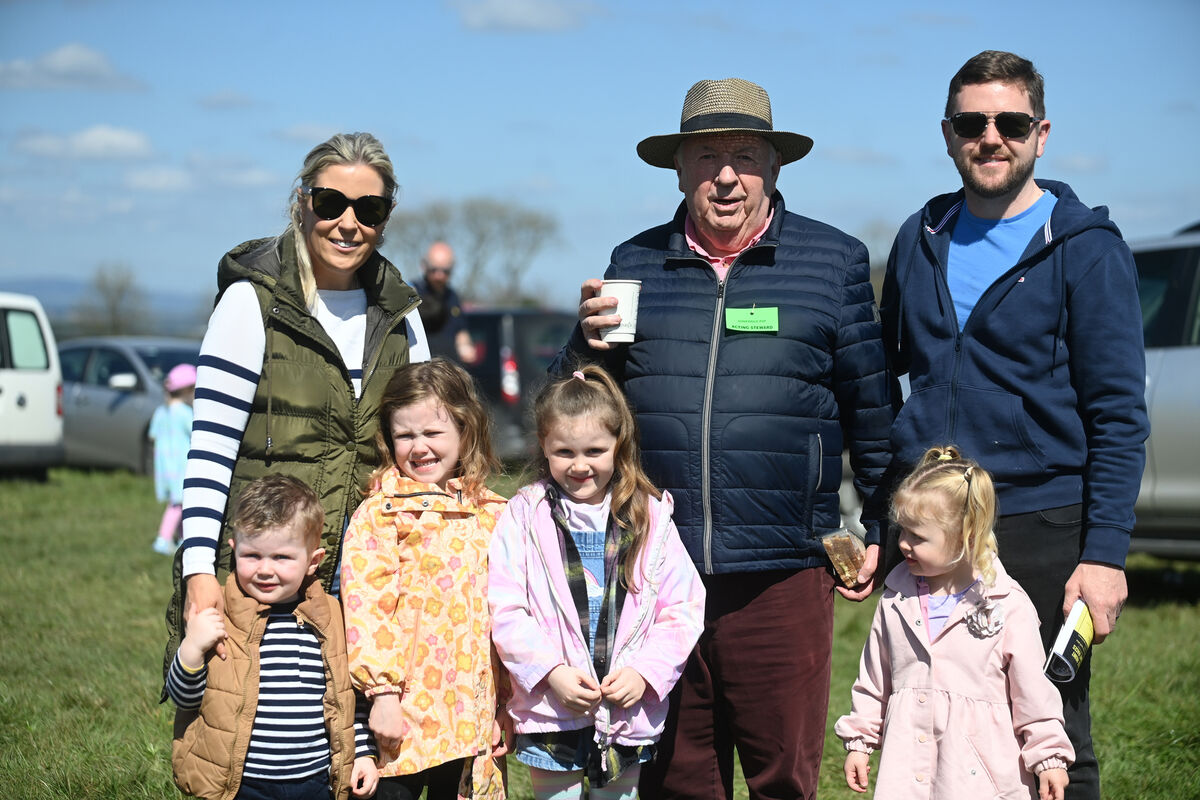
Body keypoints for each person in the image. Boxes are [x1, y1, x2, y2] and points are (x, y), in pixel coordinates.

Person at [551, 78, 896, 799]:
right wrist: (579, 346)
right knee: (678, 780)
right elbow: (578, 407)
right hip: (656, 572)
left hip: (783, 571)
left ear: (773, 166)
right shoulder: (635, 263)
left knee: (783, 777)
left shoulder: (831, 264)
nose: (727, 175)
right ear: (679, 170)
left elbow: (873, 411)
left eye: (744, 155)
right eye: (708, 157)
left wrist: (883, 527)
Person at [880, 51, 1149, 799]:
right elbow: (891, 372)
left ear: (1041, 132)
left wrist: (1104, 555)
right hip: (933, 529)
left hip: (1041, 525)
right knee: (935, 728)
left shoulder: (1087, 250)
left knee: (1050, 733)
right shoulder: (918, 236)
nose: (990, 137)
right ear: (947, 133)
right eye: (972, 122)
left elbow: (1120, 415)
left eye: (1010, 122)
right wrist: (884, 524)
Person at [164, 132, 430, 673]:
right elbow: (210, 451)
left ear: (386, 217)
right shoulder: (251, 304)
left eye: (370, 208)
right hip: (263, 569)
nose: (348, 223)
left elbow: (427, 449)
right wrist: (198, 572)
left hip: (368, 574)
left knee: (350, 744)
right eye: (331, 203)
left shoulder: (403, 315)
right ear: (303, 202)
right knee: (245, 740)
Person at [489, 365, 705, 800]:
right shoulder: (524, 515)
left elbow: (682, 607)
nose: (580, 465)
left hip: (626, 709)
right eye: (565, 451)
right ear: (543, 447)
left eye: (594, 450)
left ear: (618, 447)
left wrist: (645, 674)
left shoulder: (650, 517)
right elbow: (505, 607)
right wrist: (551, 673)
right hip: (552, 707)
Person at [834, 446, 1073, 800]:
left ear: (967, 535)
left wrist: (1048, 757)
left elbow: (1034, 694)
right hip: (908, 770)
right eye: (903, 532)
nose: (903, 544)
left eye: (918, 537)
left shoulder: (1006, 603)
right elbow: (874, 679)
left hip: (980, 777)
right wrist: (860, 741)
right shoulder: (896, 598)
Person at [340, 359, 508, 800]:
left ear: (465, 430)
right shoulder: (382, 513)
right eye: (405, 435)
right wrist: (382, 695)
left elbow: (509, 617)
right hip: (403, 715)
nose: (419, 448)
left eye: (433, 433)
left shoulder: (493, 514)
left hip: (473, 716)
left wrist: (505, 706)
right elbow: (368, 608)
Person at [166, 474, 379, 800]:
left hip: (314, 781)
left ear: (313, 561)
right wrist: (192, 648)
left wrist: (363, 753)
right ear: (233, 550)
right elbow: (186, 699)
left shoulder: (331, 619)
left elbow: (348, 698)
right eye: (252, 556)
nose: (265, 569)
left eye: (282, 558)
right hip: (241, 784)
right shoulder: (222, 615)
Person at [150, 363, 196, 556]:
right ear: (187, 390)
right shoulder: (185, 414)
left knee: (180, 504)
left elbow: (152, 435)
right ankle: (163, 539)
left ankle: (182, 540)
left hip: (165, 467)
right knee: (177, 506)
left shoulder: (161, 412)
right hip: (181, 467)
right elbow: (196, 434)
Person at [413, 240, 475, 363]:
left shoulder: (453, 297)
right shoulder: (412, 292)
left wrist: (466, 346)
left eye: (445, 271)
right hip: (421, 365)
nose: (439, 275)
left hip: (448, 367)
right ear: (424, 266)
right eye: (434, 270)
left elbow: (460, 330)